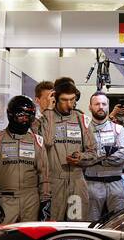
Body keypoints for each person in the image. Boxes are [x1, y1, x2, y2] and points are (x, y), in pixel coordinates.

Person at [0, 96, 46, 225]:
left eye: (28, 116)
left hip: (31, 201)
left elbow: (44, 175)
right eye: (21, 116)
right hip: (5, 200)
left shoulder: (38, 141)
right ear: (11, 114)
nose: (25, 120)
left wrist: (45, 202)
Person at [36, 77, 96, 221]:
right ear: (55, 98)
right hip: (53, 183)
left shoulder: (82, 119)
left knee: (77, 228)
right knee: (52, 227)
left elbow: (93, 153)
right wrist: (49, 112)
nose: (69, 104)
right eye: (64, 99)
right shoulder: (43, 119)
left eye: (72, 99)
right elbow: (47, 142)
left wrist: (81, 157)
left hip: (77, 182)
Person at [83, 93, 124, 221]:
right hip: (91, 184)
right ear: (90, 107)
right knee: (89, 225)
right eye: (97, 104)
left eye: (104, 104)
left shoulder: (119, 130)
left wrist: (97, 159)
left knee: (119, 224)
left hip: (116, 185)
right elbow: (81, 157)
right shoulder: (84, 130)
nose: (100, 107)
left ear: (108, 107)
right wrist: (108, 153)